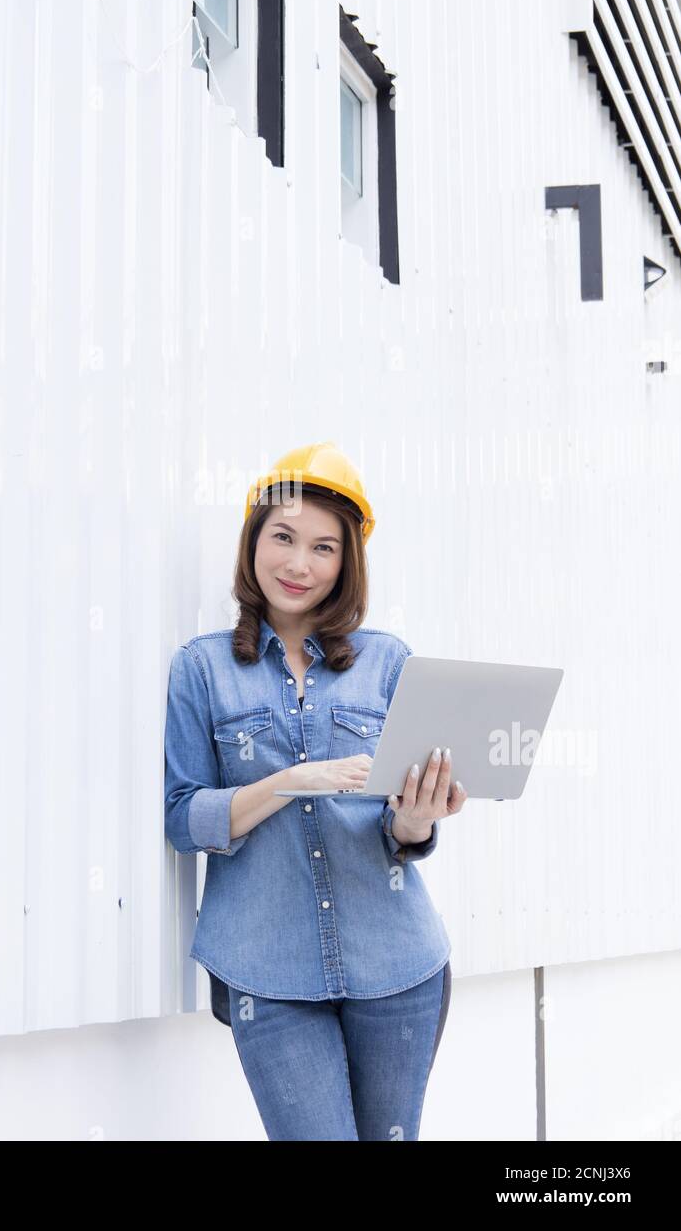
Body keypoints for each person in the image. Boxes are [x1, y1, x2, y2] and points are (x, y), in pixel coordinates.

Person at [164, 441, 467, 1140]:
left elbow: (401, 834)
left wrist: (419, 821)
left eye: (324, 548)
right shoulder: (202, 668)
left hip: (398, 967)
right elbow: (186, 817)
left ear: (346, 563)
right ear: (254, 541)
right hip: (265, 973)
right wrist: (292, 782)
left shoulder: (388, 662)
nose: (300, 564)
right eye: (283, 537)